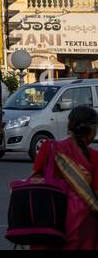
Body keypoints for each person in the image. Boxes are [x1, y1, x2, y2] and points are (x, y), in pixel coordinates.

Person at [29, 104, 98, 250]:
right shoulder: (95, 157)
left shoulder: (49, 148)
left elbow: (35, 181)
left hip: (49, 222)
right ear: (91, 130)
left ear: (69, 125)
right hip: (83, 227)